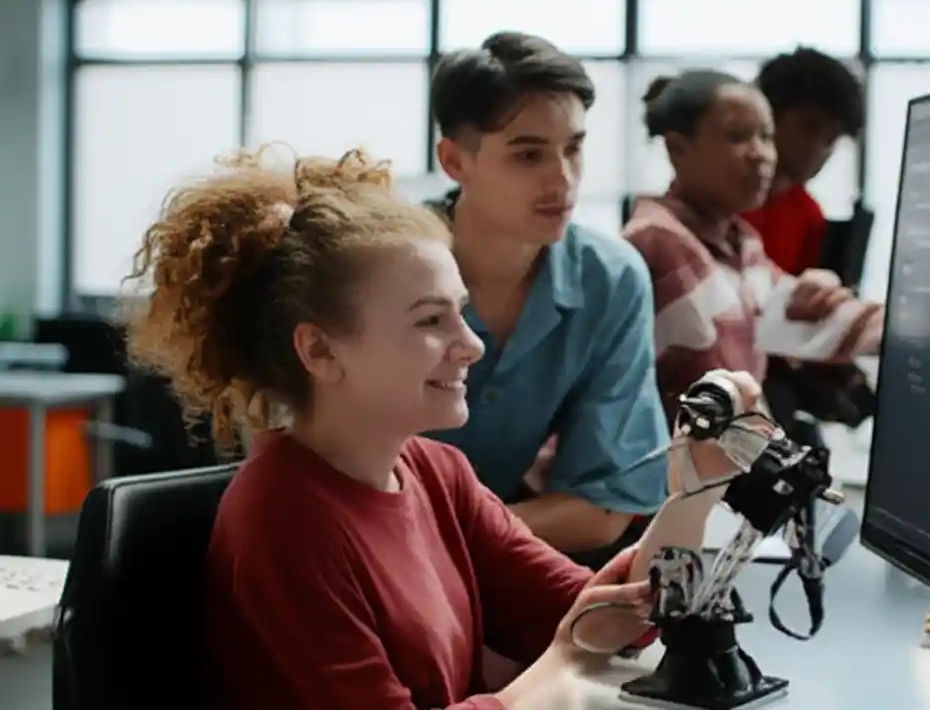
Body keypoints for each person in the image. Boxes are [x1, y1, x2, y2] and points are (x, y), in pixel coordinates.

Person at [122, 146, 765, 709]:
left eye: (461, 313)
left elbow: (607, 617)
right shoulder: (283, 521)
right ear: (319, 350)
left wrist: (694, 491)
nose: (472, 345)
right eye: (431, 322)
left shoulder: (437, 473)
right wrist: (563, 663)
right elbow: (576, 643)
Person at [423, 31, 669, 564]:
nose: (563, 180)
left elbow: (605, 504)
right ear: (455, 161)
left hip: (481, 557)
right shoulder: (380, 268)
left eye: (574, 148)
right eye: (529, 154)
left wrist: (445, 539)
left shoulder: (609, 279)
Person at [623, 71, 884, 425]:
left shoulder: (741, 242)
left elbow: (786, 309)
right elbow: (719, 400)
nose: (761, 154)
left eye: (766, 137)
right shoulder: (657, 241)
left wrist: (814, 297)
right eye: (737, 137)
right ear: (678, 149)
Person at [740, 47, 865, 276]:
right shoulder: (717, 201)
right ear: (768, 116)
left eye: (832, 139)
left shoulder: (809, 215)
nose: (819, 149)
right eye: (810, 127)